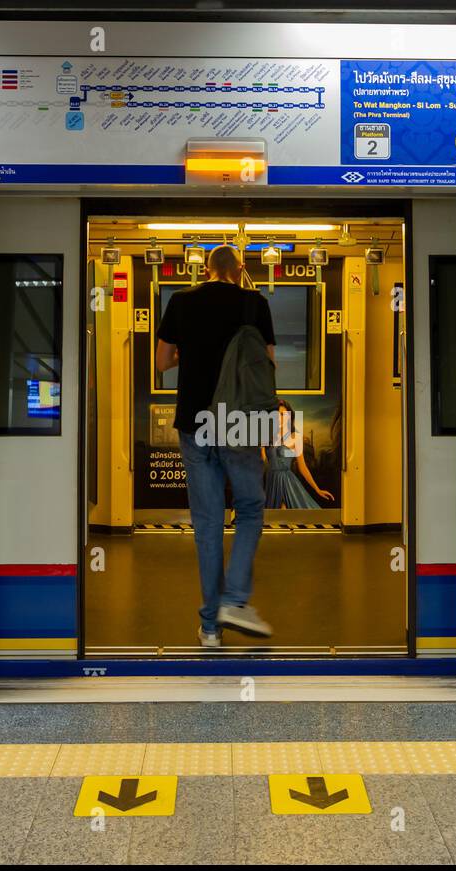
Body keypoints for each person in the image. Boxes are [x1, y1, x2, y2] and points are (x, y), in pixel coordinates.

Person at [156, 244, 276, 648]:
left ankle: (210, 628)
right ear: (239, 269)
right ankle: (235, 600)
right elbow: (267, 361)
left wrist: (189, 356)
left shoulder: (181, 301)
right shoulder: (254, 303)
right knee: (249, 509)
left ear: (205, 269)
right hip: (240, 421)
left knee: (207, 523)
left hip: (194, 421)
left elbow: (161, 361)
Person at [263, 400, 334, 509]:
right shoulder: (266, 437)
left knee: (284, 512)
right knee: (273, 519)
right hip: (271, 482)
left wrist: (317, 489)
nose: (279, 418)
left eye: (282, 414)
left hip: (287, 482)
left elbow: (303, 468)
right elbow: (260, 463)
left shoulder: (295, 438)